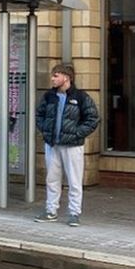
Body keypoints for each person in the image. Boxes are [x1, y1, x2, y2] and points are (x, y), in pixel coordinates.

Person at [34, 62, 100, 227]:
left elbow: (93, 118)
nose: (52, 79)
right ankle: (51, 211)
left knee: (74, 180)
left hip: (72, 146)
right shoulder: (49, 96)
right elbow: (39, 115)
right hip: (52, 144)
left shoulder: (81, 97)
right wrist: (45, 130)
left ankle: (74, 213)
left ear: (66, 77)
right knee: (52, 179)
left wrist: (77, 134)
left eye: (56, 75)